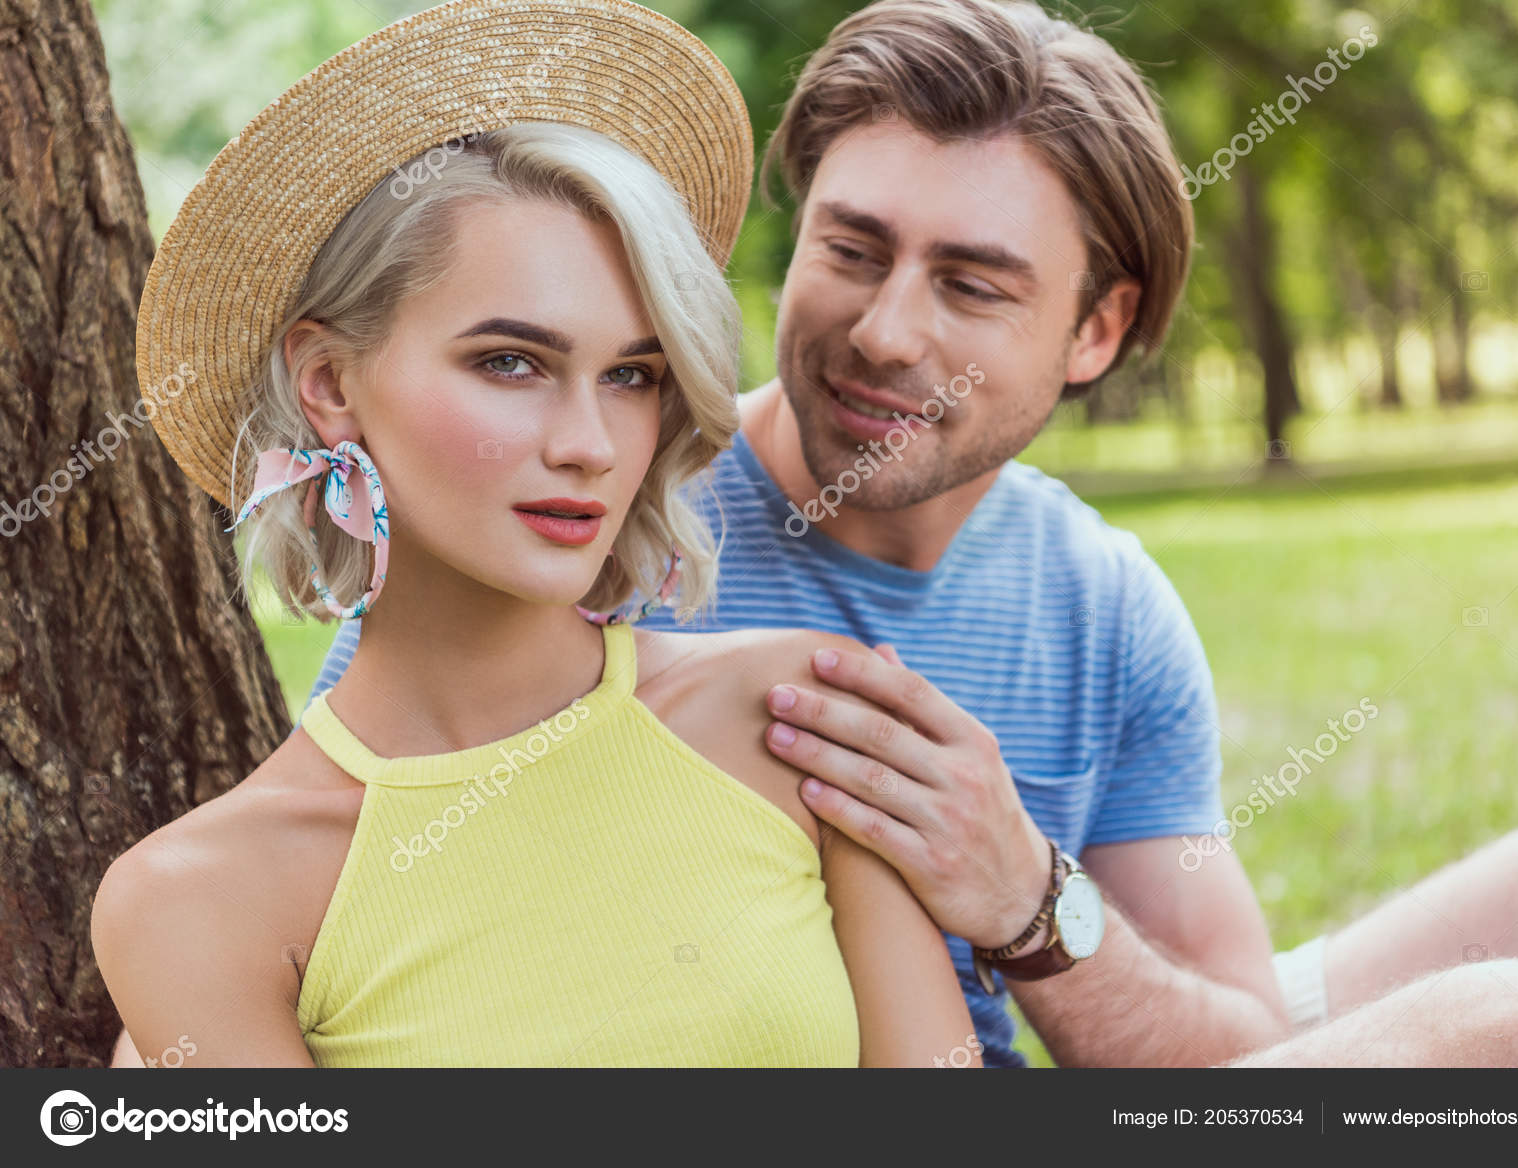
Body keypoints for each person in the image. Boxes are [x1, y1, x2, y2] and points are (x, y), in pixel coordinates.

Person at [296, 0, 1518, 1068]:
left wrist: (1028, 898)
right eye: (854, 250)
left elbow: (1234, 1048)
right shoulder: (582, 526)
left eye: (971, 284)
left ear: (1096, 329)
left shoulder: (1102, 600)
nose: (887, 330)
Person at [92, 0, 977, 1068]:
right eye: (510, 361)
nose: (589, 443)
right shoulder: (195, 902)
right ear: (327, 381)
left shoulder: (800, 721)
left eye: (631, 376)